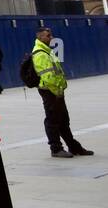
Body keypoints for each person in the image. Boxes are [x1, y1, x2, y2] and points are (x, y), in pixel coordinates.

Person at [32, 27, 94, 159]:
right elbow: (48, 77)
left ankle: (74, 147)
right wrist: (57, 92)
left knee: (63, 120)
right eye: (48, 36)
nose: (51, 37)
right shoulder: (40, 53)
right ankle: (56, 148)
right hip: (50, 91)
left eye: (51, 35)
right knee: (52, 120)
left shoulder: (47, 51)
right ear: (40, 38)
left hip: (56, 91)